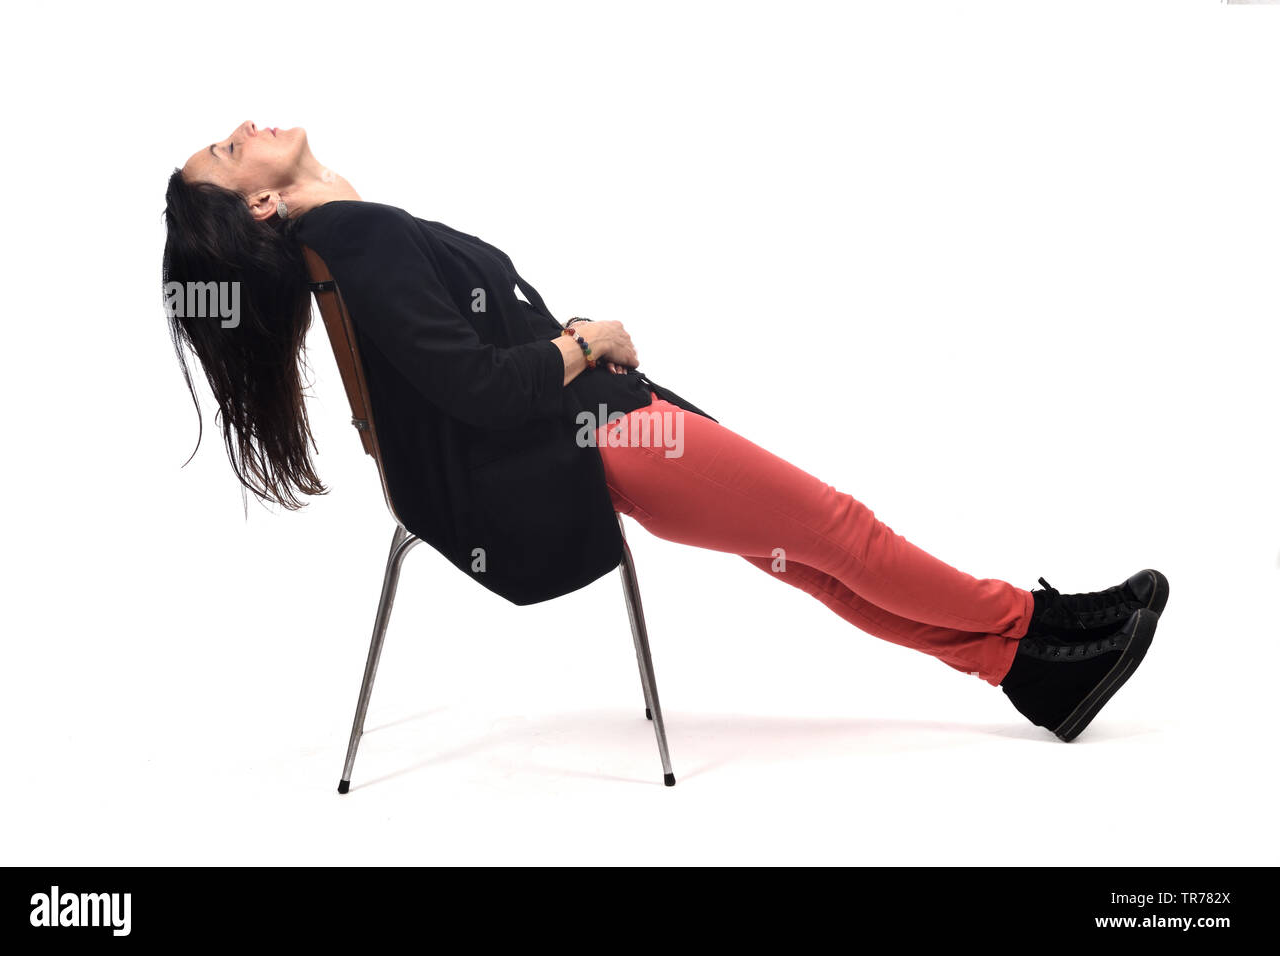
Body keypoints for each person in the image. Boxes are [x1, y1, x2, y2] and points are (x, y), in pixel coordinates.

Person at [163, 121, 1169, 743]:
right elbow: (475, 386)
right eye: (226, 144)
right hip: (594, 435)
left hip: (587, 427)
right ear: (257, 199)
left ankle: (1030, 668)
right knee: (841, 533)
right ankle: (1034, 632)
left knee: (816, 559)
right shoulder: (354, 234)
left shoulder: (352, 232)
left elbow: (462, 358)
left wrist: (561, 342)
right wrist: (586, 340)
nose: (243, 124)